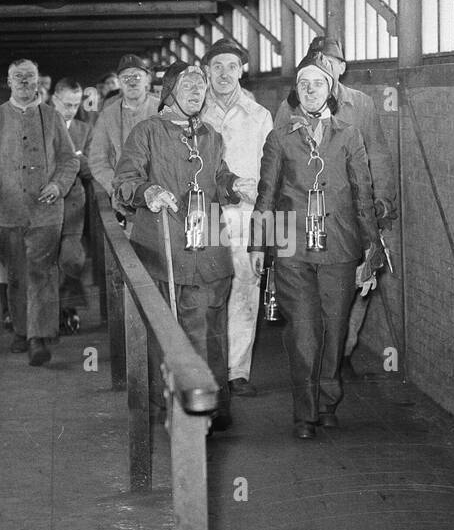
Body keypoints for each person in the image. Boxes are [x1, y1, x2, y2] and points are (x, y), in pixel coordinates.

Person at [249, 61, 377, 439]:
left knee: (334, 330)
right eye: (303, 84)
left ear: (331, 90)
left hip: (340, 247)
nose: (310, 90)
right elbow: (266, 194)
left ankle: (328, 401)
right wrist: (258, 245)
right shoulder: (279, 137)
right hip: (292, 250)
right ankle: (305, 414)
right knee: (304, 332)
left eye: (317, 84)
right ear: (296, 92)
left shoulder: (350, 135)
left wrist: (371, 251)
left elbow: (363, 194)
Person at [113, 61, 239, 432]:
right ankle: (174, 407)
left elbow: (218, 177)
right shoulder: (147, 132)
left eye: (201, 84)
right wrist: (145, 190)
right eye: (188, 84)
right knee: (168, 334)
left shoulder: (211, 135)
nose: (197, 89)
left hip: (210, 254)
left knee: (210, 331)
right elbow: (124, 181)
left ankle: (211, 405)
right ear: (169, 91)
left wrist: (233, 186)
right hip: (164, 253)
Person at [273, 36, 398, 370]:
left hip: (348, 214)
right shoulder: (290, 106)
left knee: (354, 288)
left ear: (342, 68)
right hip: (305, 218)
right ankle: (316, 362)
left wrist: (381, 202)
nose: (324, 67)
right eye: (317, 61)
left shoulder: (362, 105)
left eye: (330, 62)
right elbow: (278, 163)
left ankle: (341, 353)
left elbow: (378, 154)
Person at [0, 57, 78, 364]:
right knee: (15, 274)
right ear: (9, 82)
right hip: (4, 211)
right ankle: (21, 331)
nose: (25, 82)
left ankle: (38, 337)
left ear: (38, 81)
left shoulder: (51, 118)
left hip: (45, 211)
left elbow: (69, 160)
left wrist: (58, 185)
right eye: (18, 77)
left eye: (30, 76)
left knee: (40, 272)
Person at [201, 39, 272, 398]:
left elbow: (271, 171)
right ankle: (209, 367)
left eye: (231, 66)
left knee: (245, 289)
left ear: (241, 70)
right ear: (207, 72)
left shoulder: (259, 115)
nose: (225, 73)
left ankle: (237, 370)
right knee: (208, 291)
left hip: (245, 216)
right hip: (207, 215)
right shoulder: (196, 112)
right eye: (217, 67)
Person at [88, 54, 160, 199]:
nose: (131, 83)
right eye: (125, 78)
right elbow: (97, 160)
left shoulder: (162, 110)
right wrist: (116, 189)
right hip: (126, 196)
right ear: (119, 83)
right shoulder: (108, 115)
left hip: (161, 191)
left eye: (137, 77)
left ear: (148, 79)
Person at [52, 77, 91, 333]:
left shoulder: (84, 130)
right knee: (45, 261)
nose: (71, 110)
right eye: (67, 104)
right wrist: (73, 160)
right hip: (45, 204)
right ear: (54, 100)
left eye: (76, 105)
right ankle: (53, 312)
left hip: (74, 205)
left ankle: (68, 308)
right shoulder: (41, 125)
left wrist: (78, 161)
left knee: (72, 258)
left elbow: (91, 168)